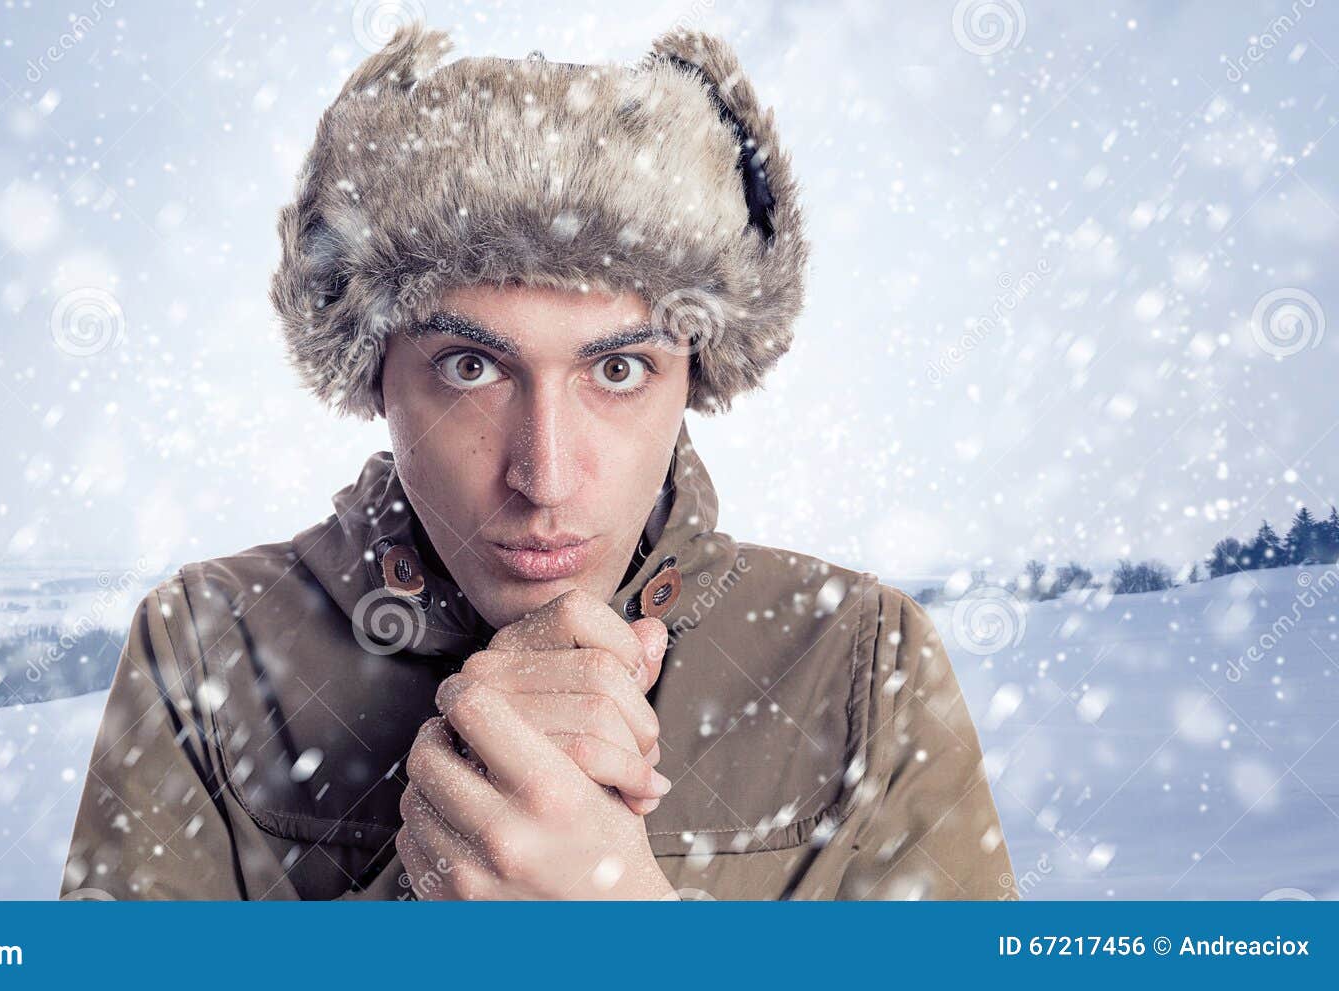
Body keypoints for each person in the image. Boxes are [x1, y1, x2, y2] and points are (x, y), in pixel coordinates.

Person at [60, 21, 1015, 901]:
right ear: (374, 372)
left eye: (618, 368)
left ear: (695, 373)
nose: (545, 476)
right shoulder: (209, 647)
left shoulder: (858, 661)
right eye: (470, 367)